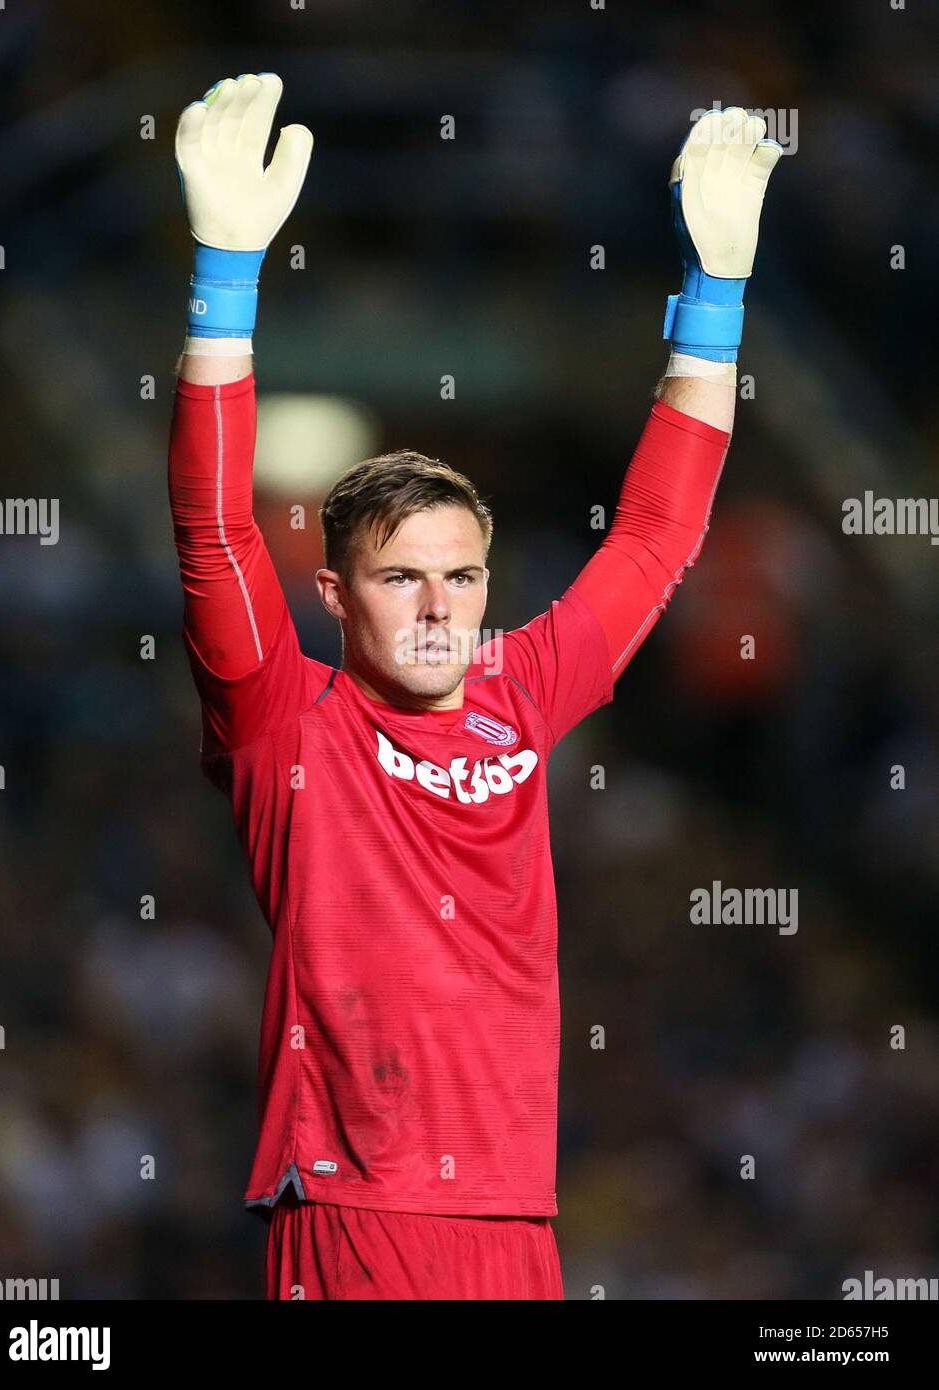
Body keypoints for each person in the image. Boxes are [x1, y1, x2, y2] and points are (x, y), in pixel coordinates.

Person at [167, 73, 782, 1299]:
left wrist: (714, 297)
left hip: (516, 1220)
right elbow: (215, 536)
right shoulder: (288, 720)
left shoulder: (523, 692)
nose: (440, 605)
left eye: (462, 574)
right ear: (336, 601)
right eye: (400, 579)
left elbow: (652, 538)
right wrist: (223, 281)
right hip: (356, 1208)